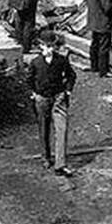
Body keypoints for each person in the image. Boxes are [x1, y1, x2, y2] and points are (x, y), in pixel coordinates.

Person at [29, 31, 77, 177]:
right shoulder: (36, 62)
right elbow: (29, 79)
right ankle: (45, 156)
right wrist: (34, 93)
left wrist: (67, 91)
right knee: (44, 128)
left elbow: (71, 75)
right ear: (41, 46)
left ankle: (60, 164)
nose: (49, 50)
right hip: (42, 98)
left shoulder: (61, 60)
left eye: (52, 46)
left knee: (61, 129)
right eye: (46, 47)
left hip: (59, 98)